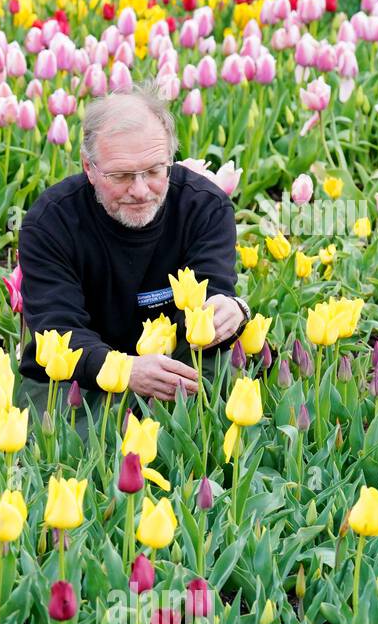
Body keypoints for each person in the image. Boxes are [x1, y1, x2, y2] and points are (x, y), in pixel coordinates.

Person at [16, 80, 249, 437]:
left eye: (155, 171)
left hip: (176, 364)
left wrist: (232, 310)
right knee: (66, 446)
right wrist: (124, 370)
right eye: (121, 176)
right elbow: (58, 330)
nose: (140, 191)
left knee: (215, 418)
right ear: (89, 168)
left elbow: (213, 291)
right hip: (79, 378)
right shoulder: (51, 223)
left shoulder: (204, 206)